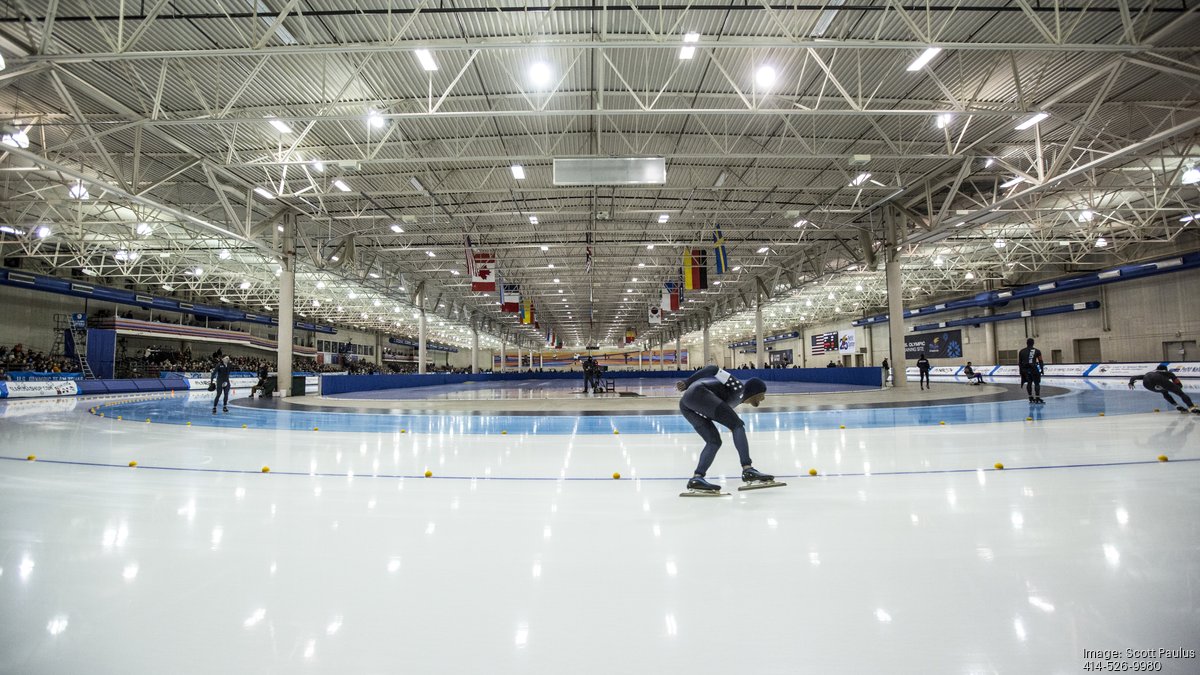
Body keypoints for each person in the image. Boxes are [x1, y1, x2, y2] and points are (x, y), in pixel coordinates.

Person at [674, 365, 774, 495]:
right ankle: (748, 469)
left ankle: (697, 478)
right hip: (698, 393)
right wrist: (688, 382)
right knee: (737, 425)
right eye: (762, 395)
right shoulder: (737, 386)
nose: (762, 400)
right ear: (755, 392)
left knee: (714, 441)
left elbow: (717, 410)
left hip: (686, 405)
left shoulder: (738, 399)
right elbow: (713, 369)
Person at [1129, 365, 1198, 414]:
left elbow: (1133, 377)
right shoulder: (1168, 373)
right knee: (1180, 393)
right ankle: (1192, 408)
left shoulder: (1151, 372)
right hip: (1159, 380)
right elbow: (1179, 385)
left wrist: (1131, 382)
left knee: (1164, 392)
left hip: (1147, 384)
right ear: (1165, 369)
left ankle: (1177, 406)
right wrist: (1175, 388)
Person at [1018, 338, 1045, 403]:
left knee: (1029, 383)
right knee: (1036, 383)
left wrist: (1021, 371)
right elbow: (1040, 361)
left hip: (1025, 370)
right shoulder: (1037, 351)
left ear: (1026, 343)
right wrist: (1042, 369)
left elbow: (1020, 363)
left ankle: (1030, 397)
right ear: (1033, 343)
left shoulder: (1021, 351)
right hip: (1034, 369)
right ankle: (1037, 398)